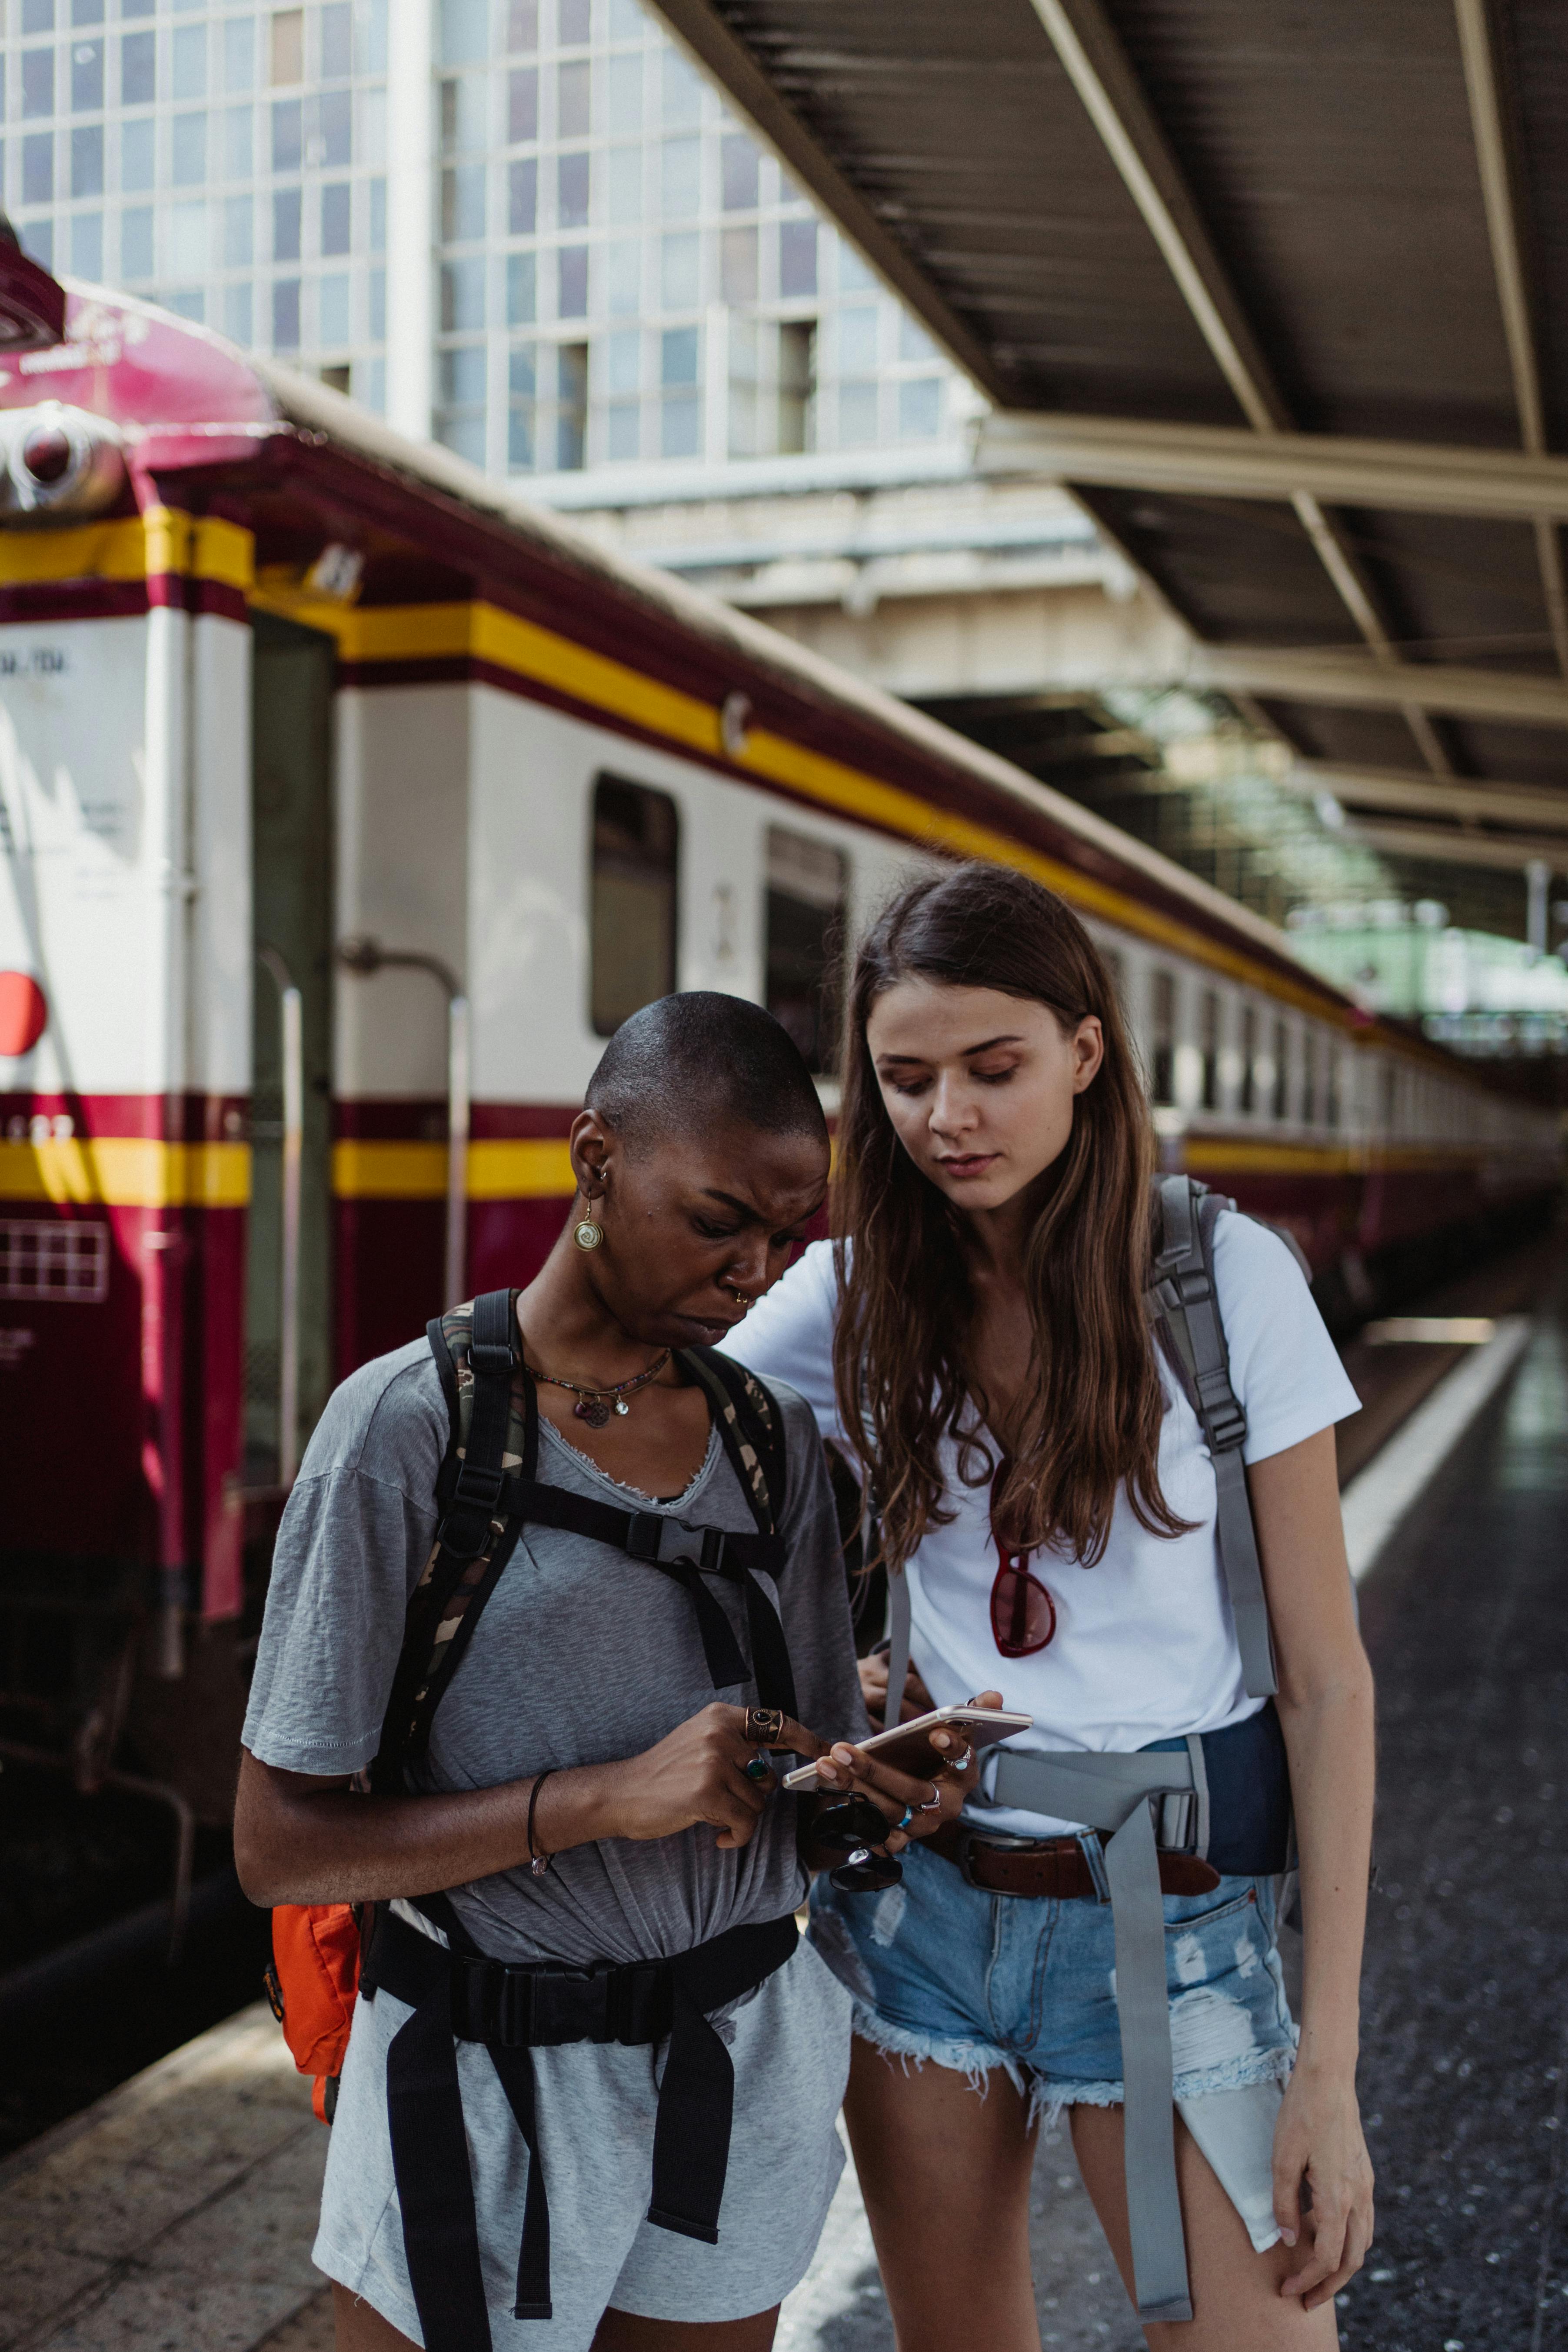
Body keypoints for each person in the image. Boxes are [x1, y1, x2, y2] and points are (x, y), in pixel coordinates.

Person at [724, 864, 1377, 2350]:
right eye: (904, 1079)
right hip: (922, 1914)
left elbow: (1332, 1688)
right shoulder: (855, 1300)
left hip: (1172, 1922)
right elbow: (658, 1421)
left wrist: (1328, 2071)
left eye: (992, 1068)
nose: (947, 1114)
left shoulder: (1225, 1281)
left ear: (1087, 1053)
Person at [234, 992, 948, 2352]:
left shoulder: (773, 1445)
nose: (754, 1273)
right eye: (719, 1218)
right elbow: (279, 1844)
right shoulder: (406, 1431)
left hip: (734, 2067)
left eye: (785, 1238)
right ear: (595, 1158)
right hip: (486, 2085)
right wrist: (605, 1797)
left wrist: (875, 1786)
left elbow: (794, 1782)